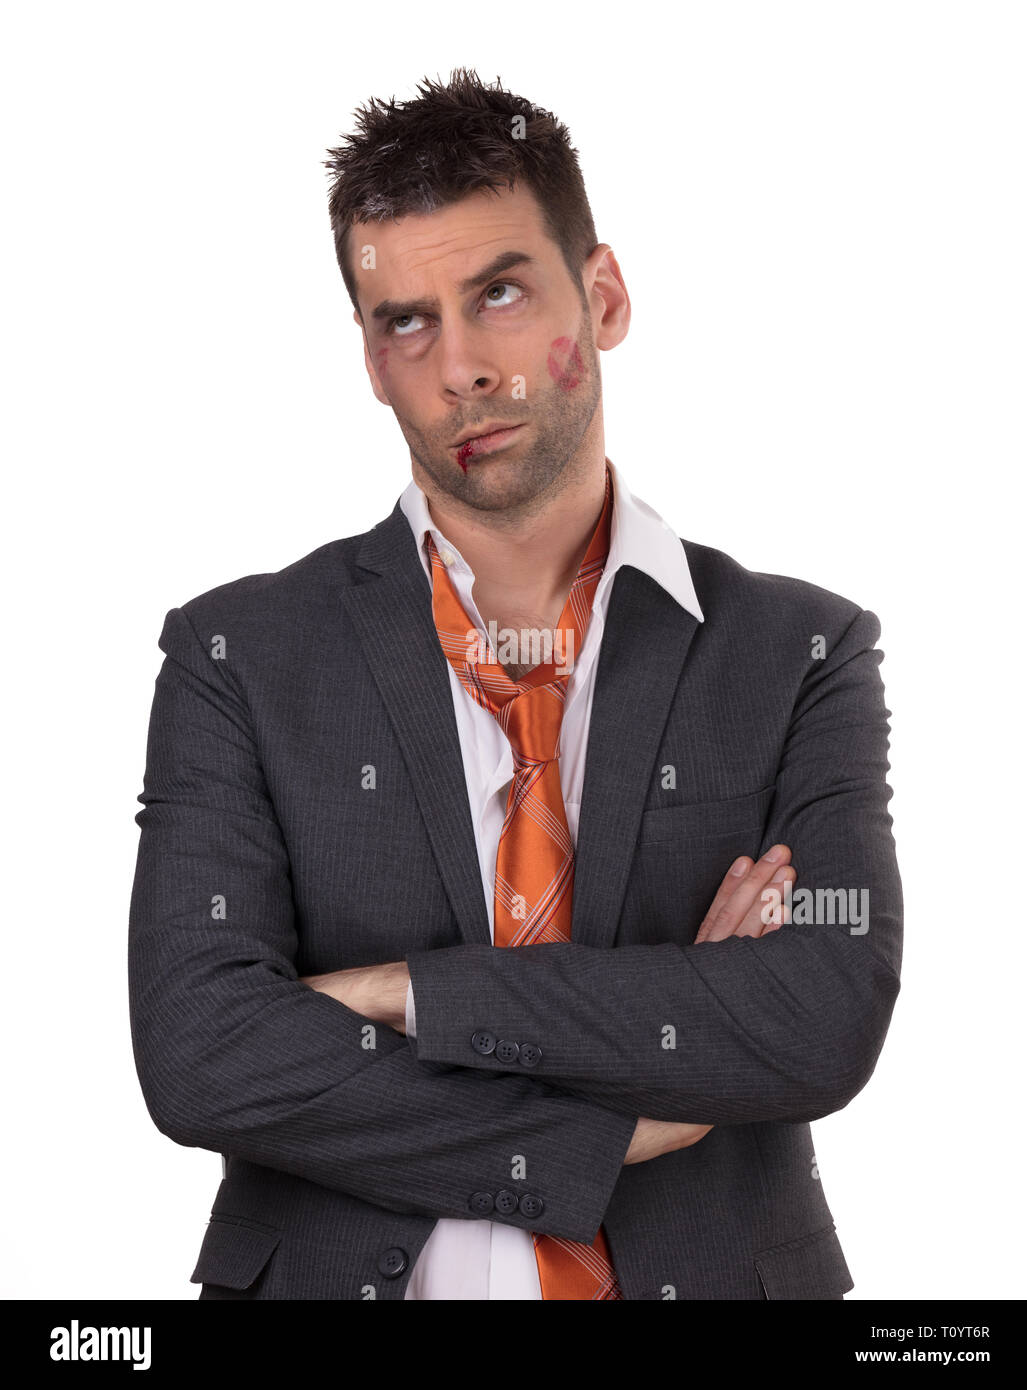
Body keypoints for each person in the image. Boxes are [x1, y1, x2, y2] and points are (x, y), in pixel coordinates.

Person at [128, 68, 902, 1301]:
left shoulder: (795, 651)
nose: (460, 368)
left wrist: (403, 994)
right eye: (406, 321)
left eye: (497, 292)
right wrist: (627, 1112)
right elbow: (201, 1055)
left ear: (600, 296)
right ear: (371, 363)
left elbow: (819, 1008)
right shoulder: (239, 657)